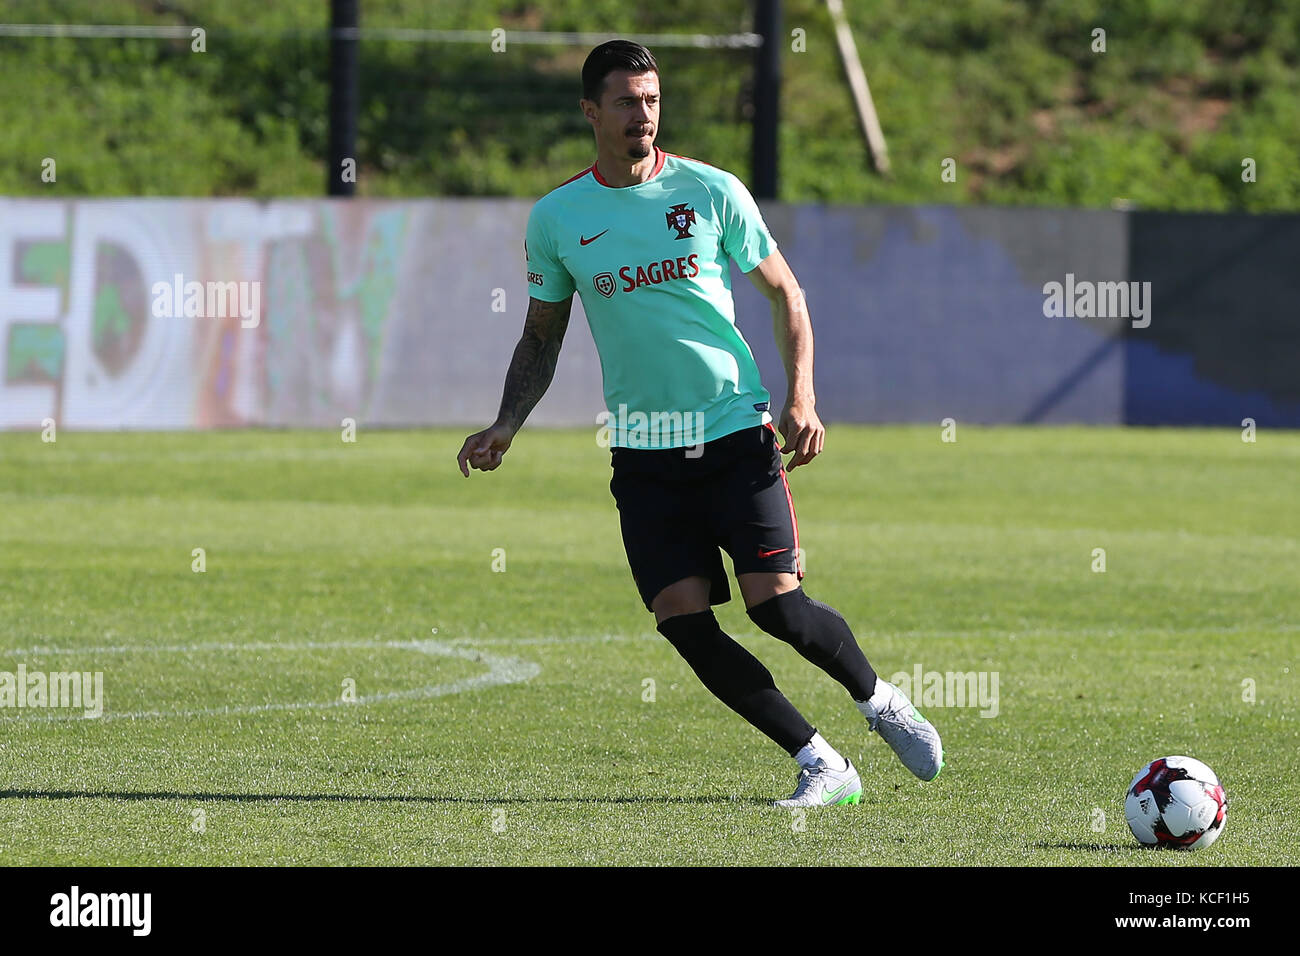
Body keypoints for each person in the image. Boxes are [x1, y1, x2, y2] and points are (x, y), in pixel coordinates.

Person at [457, 39, 942, 806]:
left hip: (733, 434)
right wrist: (505, 424)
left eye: (651, 101)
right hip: (643, 453)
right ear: (591, 112)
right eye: (625, 102)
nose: (641, 116)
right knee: (682, 619)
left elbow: (788, 294)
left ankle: (880, 701)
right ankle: (822, 763)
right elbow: (542, 332)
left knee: (777, 605)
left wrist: (803, 396)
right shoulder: (557, 217)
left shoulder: (712, 191)